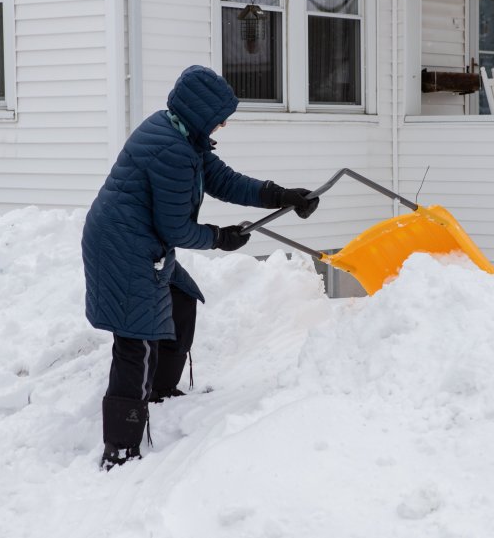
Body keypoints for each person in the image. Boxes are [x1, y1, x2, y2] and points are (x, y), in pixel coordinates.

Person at [81, 65, 319, 470]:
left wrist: (279, 195)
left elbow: (223, 180)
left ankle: (159, 389)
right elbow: (174, 227)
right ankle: (120, 446)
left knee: (181, 298)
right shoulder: (171, 149)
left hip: (140, 241)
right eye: (220, 116)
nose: (224, 123)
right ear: (200, 112)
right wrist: (219, 238)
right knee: (134, 340)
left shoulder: (181, 135)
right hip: (122, 247)